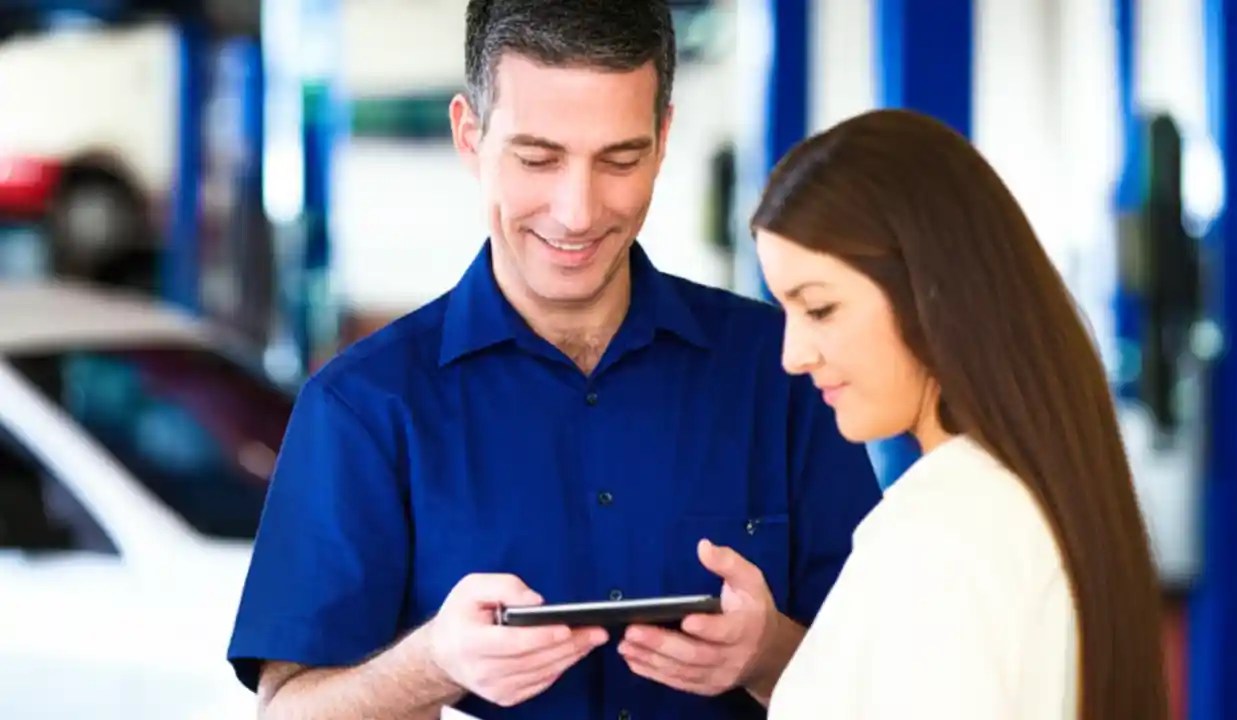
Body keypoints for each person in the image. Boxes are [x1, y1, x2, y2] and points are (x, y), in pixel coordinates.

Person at [226, 2, 882, 719]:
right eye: (538, 159)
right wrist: (432, 663)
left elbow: (897, 685)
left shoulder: (785, 372)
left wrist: (768, 654)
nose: (577, 212)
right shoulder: (363, 407)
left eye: (619, 160)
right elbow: (288, 710)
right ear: (469, 134)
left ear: (663, 139)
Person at [752, 109, 1168, 719]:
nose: (793, 355)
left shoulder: (936, 536)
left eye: (819, 309)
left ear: (928, 290)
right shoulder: (1036, 490)